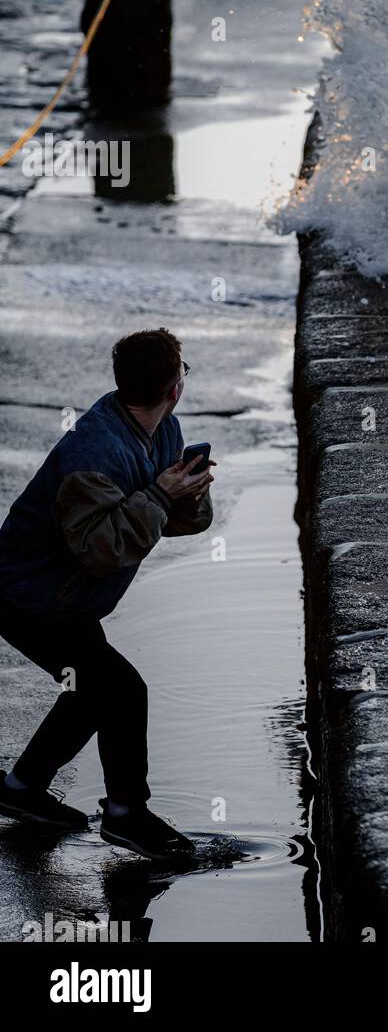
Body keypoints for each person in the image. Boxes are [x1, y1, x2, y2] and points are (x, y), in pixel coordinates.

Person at [0, 328, 214, 859]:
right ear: (175, 388)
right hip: (25, 597)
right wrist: (162, 494)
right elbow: (100, 549)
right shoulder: (92, 455)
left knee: (87, 690)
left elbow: (166, 520)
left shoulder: (163, 430)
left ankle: (22, 789)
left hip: (67, 599)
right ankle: (126, 815)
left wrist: (188, 493)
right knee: (120, 691)